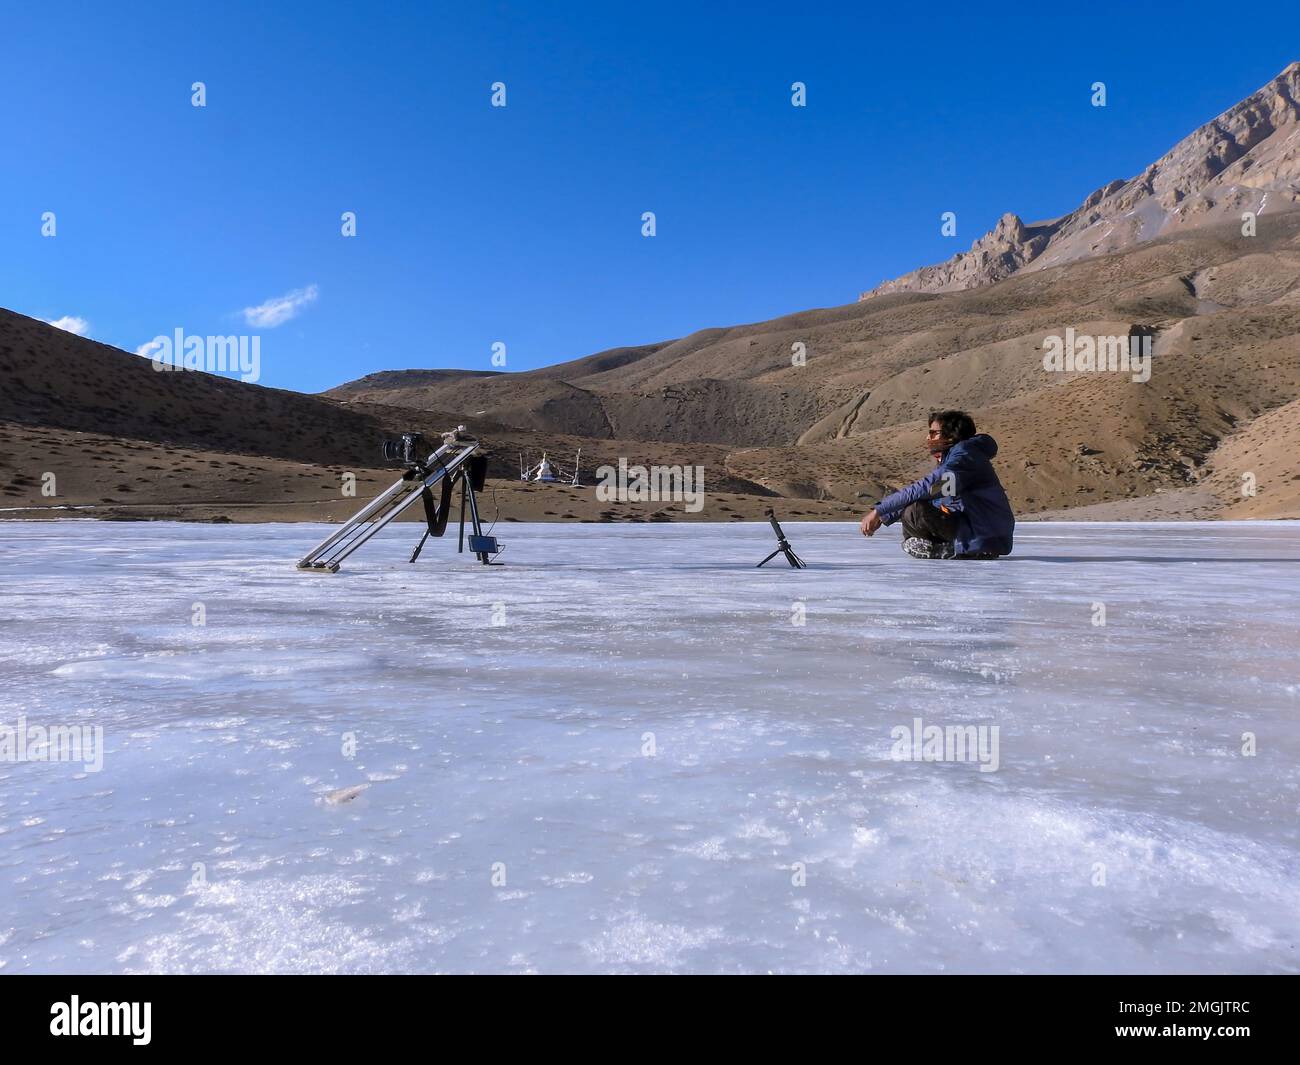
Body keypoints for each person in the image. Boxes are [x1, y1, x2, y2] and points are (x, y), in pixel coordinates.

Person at [859, 410, 1014, 559]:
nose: (928, 437)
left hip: (987, 536)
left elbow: (925, 488)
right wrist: (886, 515)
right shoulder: (960, 461)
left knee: (915, 511)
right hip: (985, 534)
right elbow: (933, 492)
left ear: (952, 435)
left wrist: (880, 511)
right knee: (913, 508)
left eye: (933, 433)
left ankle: (963, 549)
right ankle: (952, 548)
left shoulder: (965, 457)